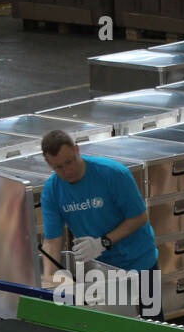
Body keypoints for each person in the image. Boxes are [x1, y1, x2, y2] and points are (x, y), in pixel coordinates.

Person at [41, 130, 162, 320]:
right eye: (59, 167)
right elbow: (52, 240)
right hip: (101, 272)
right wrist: (50, 277)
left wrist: (102, 243)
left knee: (154, 328)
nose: (67, 171)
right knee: (116, 329)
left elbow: (139, 218)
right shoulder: (52, 190)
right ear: (49, 165)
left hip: (140, 263)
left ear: (77, 150)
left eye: (70, 162)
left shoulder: (113, 174)